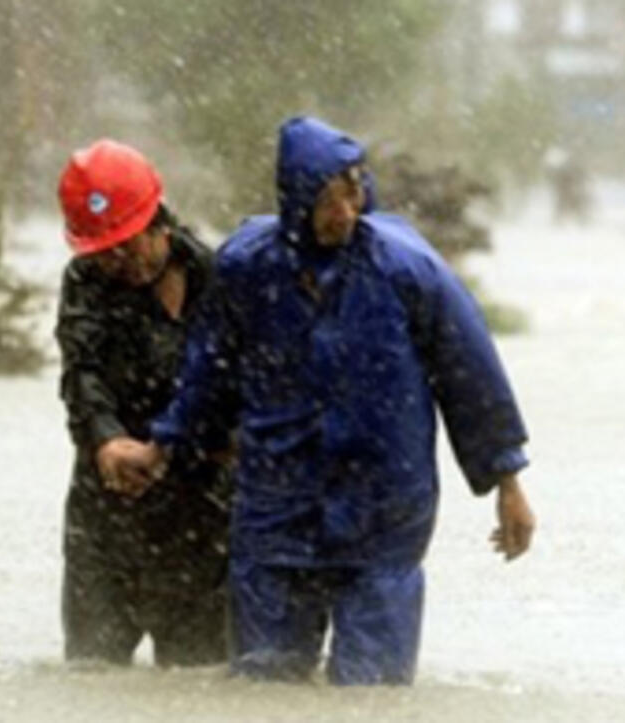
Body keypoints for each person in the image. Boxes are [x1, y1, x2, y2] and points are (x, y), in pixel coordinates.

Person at [114, 116, 536, 685]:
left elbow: (470, 376)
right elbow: (207, 374)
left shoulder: (406, 268)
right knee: (265, 687)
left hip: (382, 509)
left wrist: (507, 483)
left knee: (372, 695)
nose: (346, 212)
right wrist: (166, 446)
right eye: (329, 199)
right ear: (296, 201)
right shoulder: (246, 269)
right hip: (277, 510)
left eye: (354, 193)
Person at [54, 139, 231, 667]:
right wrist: (107, 440)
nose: (116, 261)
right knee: (93, 678)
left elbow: (240, 388)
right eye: (101, 249)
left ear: (158, 221)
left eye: (127, 246)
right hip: (106, 516)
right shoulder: (85, 282)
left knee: (197, 684)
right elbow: (80, 373)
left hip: (202, 519)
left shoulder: (218, 279)